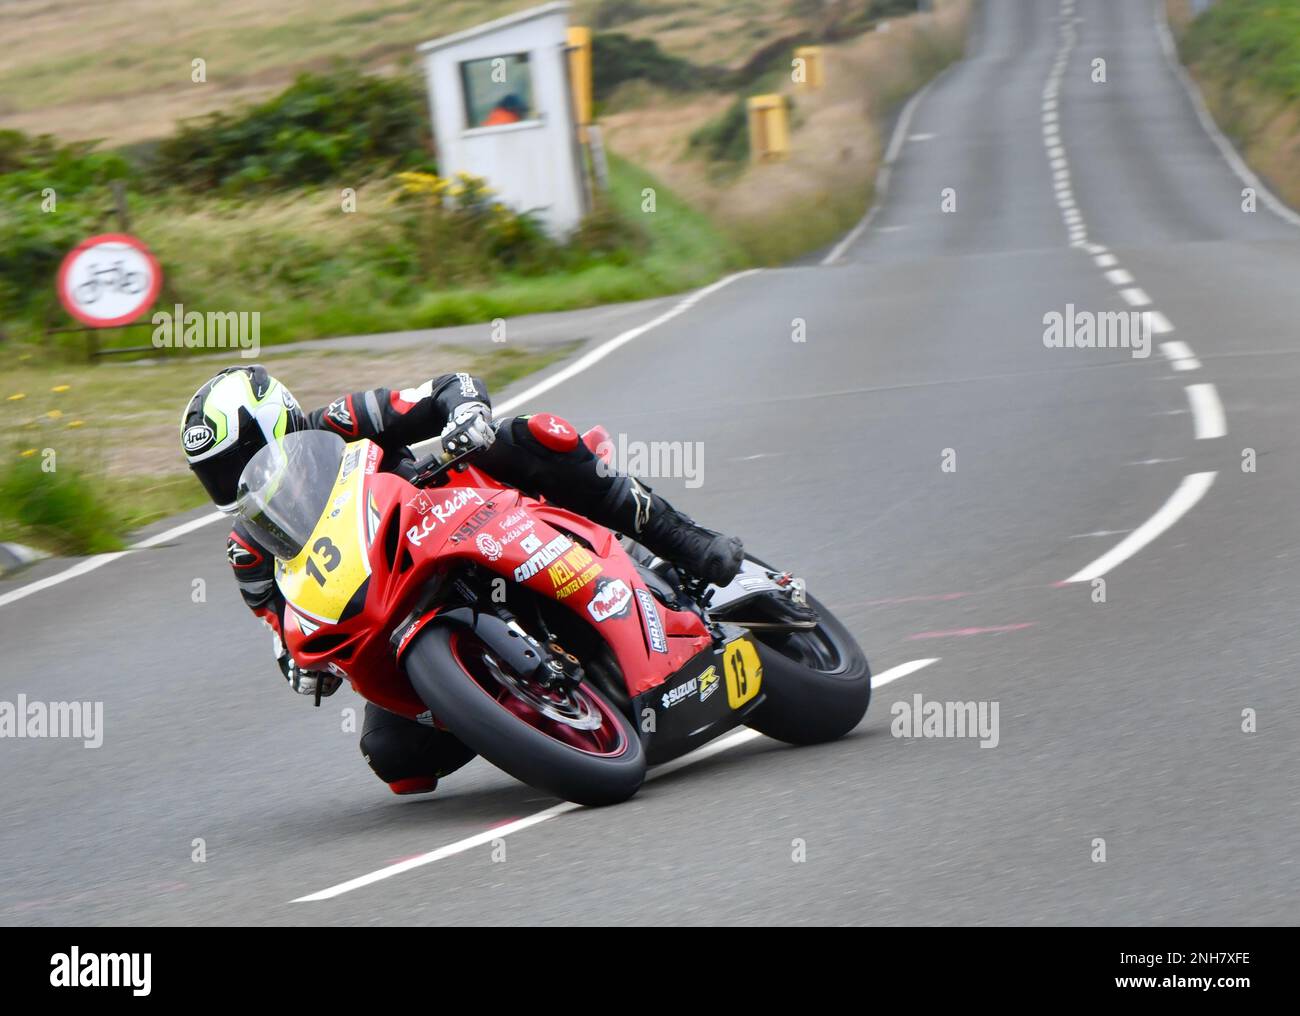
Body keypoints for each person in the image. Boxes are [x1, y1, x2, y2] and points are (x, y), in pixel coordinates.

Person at [180, 365, 743, 795]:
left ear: (277, 423)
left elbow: (449, 386)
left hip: (462, 518)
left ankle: (686, 541)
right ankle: (524, 716)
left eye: (238, 460)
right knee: (394, 758)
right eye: (214, 474)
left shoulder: (344, 421)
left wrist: (463, 413)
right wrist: (301, 669)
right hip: (388, 613)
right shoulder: (248, 551)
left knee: (526, 438)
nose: (231, 482)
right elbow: (282, 627)